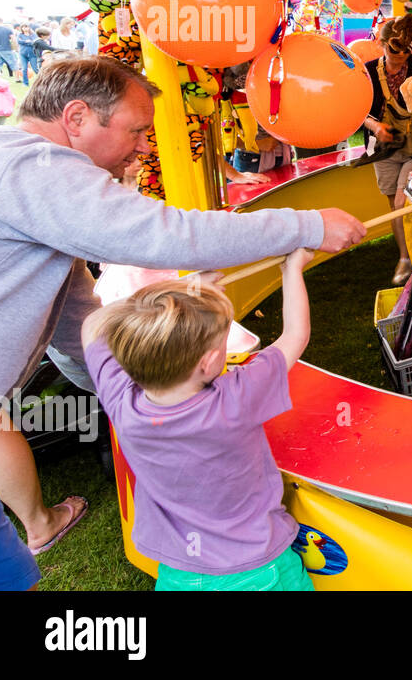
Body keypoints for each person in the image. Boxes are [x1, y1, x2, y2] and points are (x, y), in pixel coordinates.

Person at [0, 56, 365, 585]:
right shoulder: (37, 167)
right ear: (76, 118)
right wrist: (303, 227)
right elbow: (167, 235)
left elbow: (77, 316)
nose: (144, 146)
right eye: (136, 130)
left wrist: (133, 386)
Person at [81, 251, 315, 591]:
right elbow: (295, 335)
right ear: (207, 363)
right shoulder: (236, 397)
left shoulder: (120, 399)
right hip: (260, 570)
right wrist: (292, 268)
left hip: (180, 576)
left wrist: (168, 297)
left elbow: (92, 323)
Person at [361, 15, 412, 284]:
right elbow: (356, 111)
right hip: (385, 148)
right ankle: (407, 255)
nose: (399, 61)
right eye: (392, 53)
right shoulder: (366, 72)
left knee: (403, 202)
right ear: (381, 44)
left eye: (404, 55)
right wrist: (375, 127)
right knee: (392, 203)